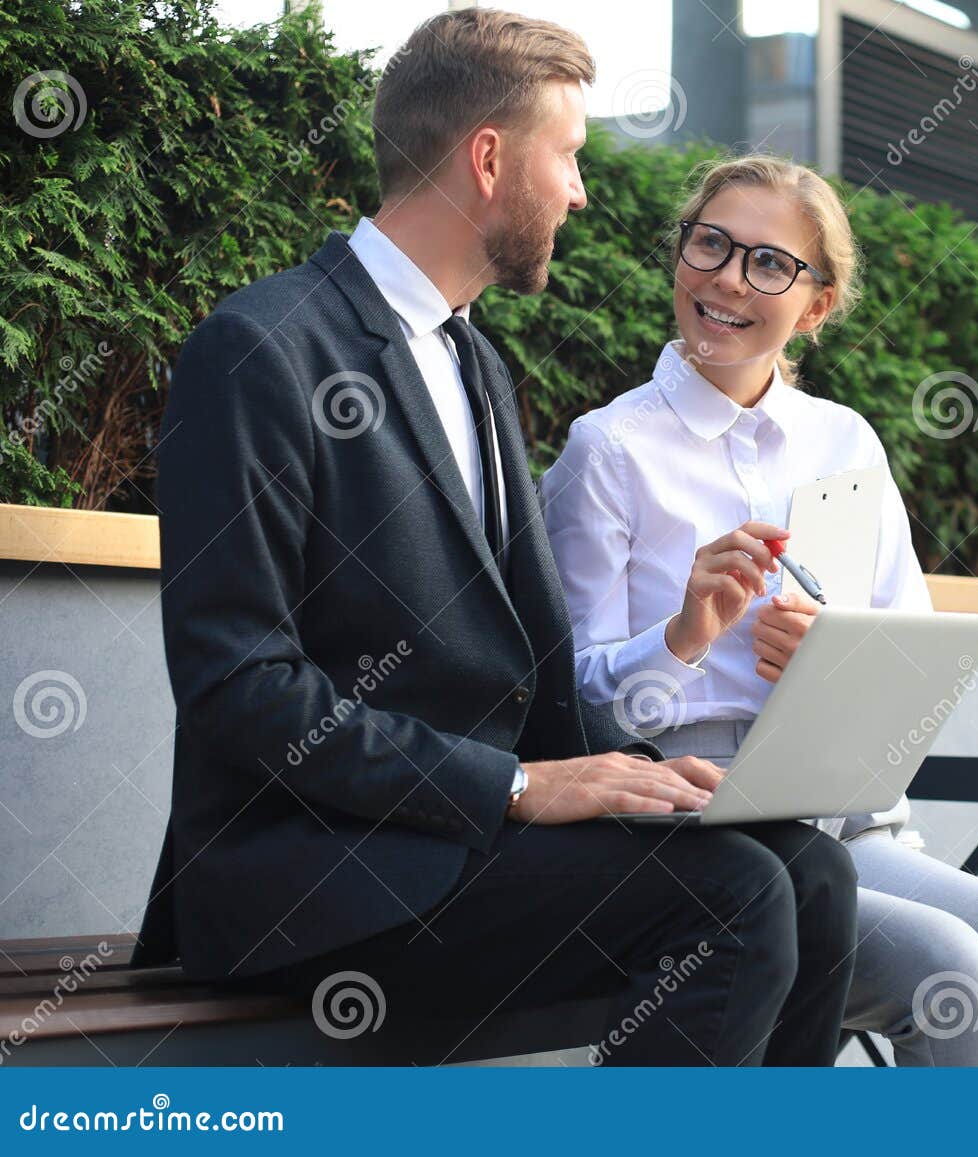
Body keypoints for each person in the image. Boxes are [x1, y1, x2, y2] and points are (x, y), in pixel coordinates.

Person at [129, 10, 857, 1067]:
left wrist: (629, 774)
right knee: (735, 897)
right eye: (566, 156)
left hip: (457, 843)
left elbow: (527, 668)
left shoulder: (468, 360)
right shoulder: (262, 350)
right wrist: (518, 787)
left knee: (809, 872)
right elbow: (241, 688)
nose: (579, 191)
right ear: (488, 160)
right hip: (319, 873)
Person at [542, 154, 978, 1066]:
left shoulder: (845, 442)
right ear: (679, 257)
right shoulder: (610, 450)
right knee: (952, 973)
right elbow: (564, 707)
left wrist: (835, 656)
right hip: (695, 825)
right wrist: (684, 635)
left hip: (837, 817)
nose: (729, 277)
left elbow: (915, 660)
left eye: (769, 263)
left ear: (814, 306)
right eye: (711, 245)